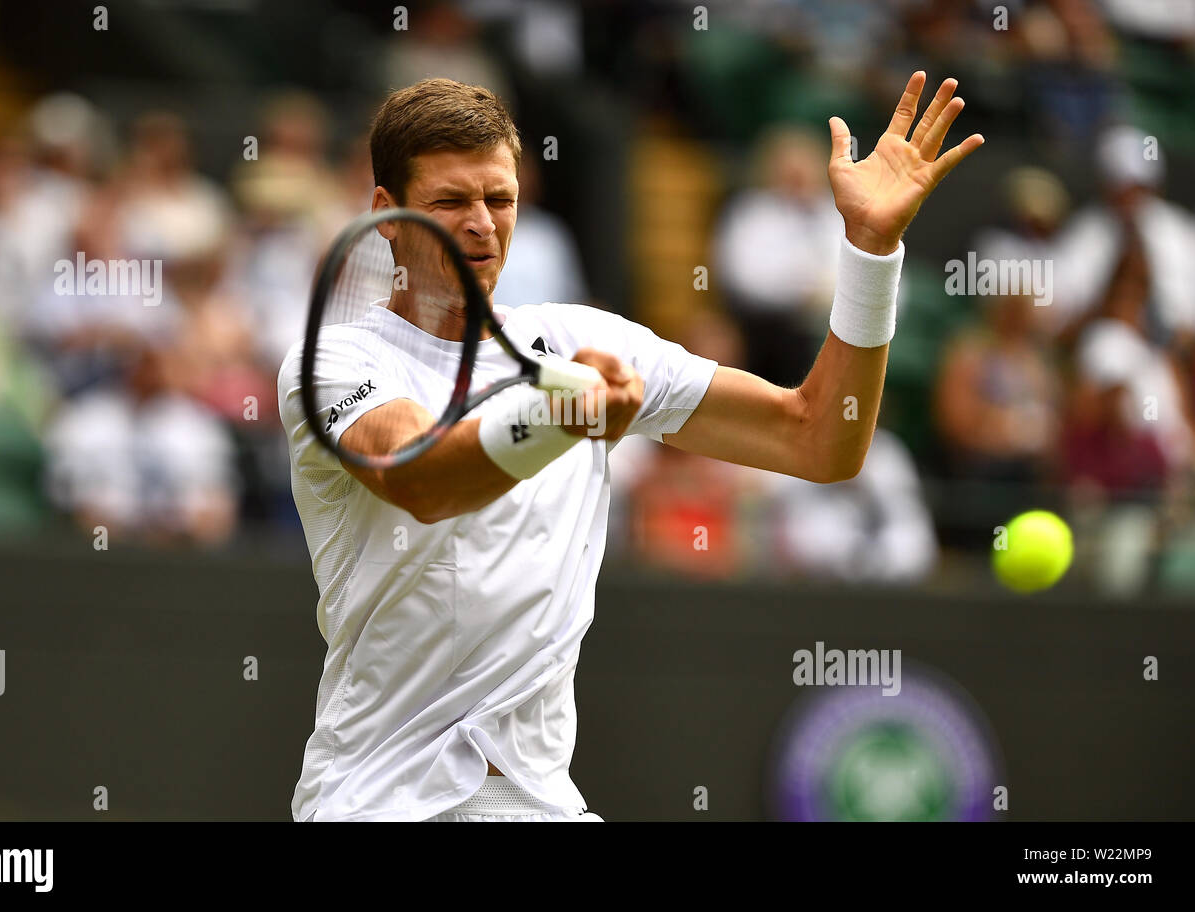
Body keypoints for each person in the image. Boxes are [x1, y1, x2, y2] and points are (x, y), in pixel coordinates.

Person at [277, 75, 982, 822]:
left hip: (537, 802)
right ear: (387, 214)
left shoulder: (586, 339)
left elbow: (821, 440)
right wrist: (558, 417)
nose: (481, 224)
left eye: (501, 199)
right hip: (379, 802)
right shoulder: (333, 362)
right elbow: (422, 477)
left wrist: (870, 254)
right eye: (451, 202)